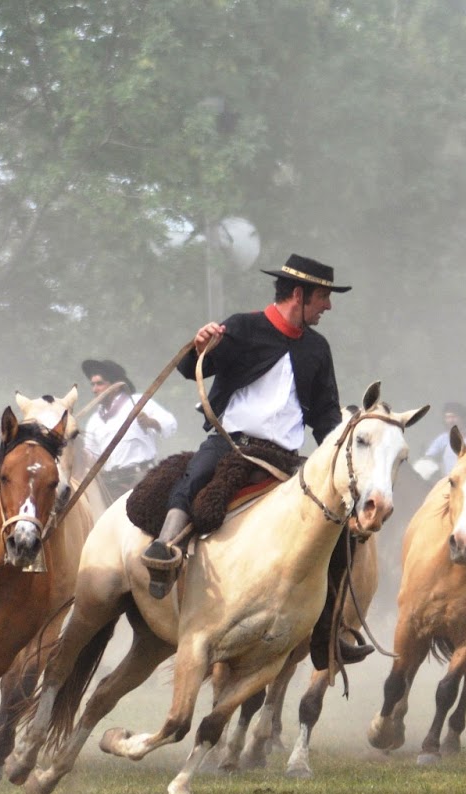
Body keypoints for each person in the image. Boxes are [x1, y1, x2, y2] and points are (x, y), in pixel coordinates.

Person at [142, 253, 366, 664]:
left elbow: (326, 415)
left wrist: (340, 453)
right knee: (196, 477)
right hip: (234, 442)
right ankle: (164, 552)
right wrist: (200, 344)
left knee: (335, 531)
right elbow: (193, 367)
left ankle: (326, 634)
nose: (328, 307)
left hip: (285, 458)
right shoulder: (243, 327)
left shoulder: (318, 349)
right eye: (323, 298)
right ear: (298, 294)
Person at [80, 358, 178, 501]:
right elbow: (91, 456)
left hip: (142, 478)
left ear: (116, 386)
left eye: (100, 384)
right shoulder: (94, 421)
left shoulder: (139, 402)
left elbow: (170, 423)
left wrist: (151, 422)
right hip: (110, 485)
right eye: (93, 385)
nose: (94, 389)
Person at [414, 402, 466, 480]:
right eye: (447, 417)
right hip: (450, 481)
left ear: (462, 418)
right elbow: (429, 457)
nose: (450, 420)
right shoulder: (443, 438)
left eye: (453, 417)